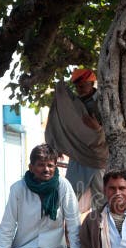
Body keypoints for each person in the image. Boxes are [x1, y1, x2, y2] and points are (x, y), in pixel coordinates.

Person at [45, 68, 108, 212]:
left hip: (100, 158)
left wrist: (97, 129)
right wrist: (57, 146)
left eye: (83, 85)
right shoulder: (72, 104)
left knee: (102, 200)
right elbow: (62, 124)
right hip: (79, 156)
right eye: (77, 87)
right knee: (68, 196)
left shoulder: (105, 101)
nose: (79, 89)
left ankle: (102, 231)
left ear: (92, 83)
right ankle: (61, 230)